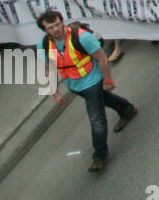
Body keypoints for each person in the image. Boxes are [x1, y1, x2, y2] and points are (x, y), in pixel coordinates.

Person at [36, 11, 136, 174]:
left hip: (92, 81)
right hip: (74, 85)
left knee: (96, 119)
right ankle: (127, 110)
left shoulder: (81, 37)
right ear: (45, 30)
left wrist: (108, 80)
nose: (56, 29)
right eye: (50, 27)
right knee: (104, 99)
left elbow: (102, 58)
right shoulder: (44, 44)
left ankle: (100, 156)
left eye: (57, 24)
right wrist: (55, 93)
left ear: (62, 22)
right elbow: (48, 70)